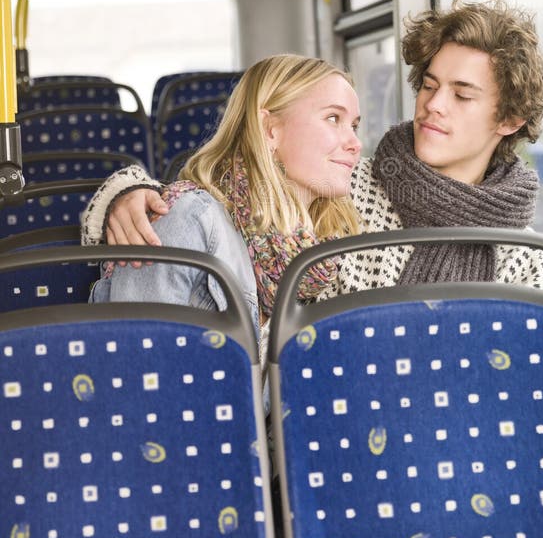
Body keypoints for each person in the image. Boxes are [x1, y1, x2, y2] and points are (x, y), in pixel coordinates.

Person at [83, 0, 543, 309]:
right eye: (430, 86)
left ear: (509, 120)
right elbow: (214, 202)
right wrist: (126, 194)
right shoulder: (343, 182)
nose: (433, 106)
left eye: (462, 94)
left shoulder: (528, 261)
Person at [87, 55, 363, 354]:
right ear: (270, 129)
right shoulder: (187, 218)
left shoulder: (319, 241)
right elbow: (138, 363)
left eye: (355, 126)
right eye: (333, 118)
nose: (355, 143)